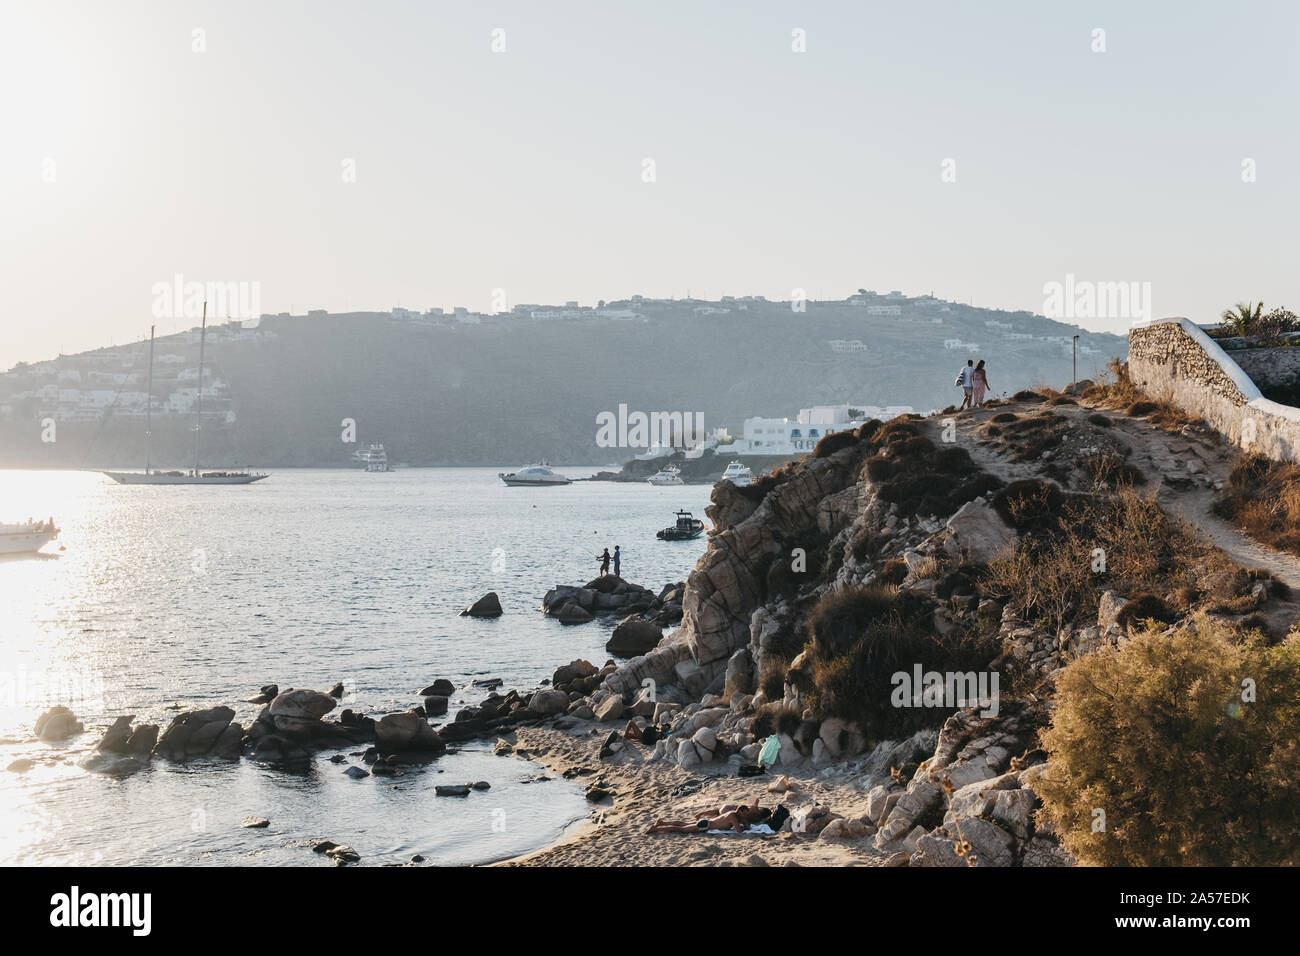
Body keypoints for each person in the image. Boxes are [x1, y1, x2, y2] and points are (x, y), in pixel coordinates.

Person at [646, 802, 773, 835]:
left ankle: (662, 822)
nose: (746, 815)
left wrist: (745, 823)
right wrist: (745, 826)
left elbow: (744, 825)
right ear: (740, 811)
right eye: (745, 813)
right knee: (682, 829)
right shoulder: (733, 817)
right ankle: (656, 828)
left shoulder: (735, 815)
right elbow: (740, 832)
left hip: (706, 822)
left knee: (683, 823)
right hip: (705, 825)